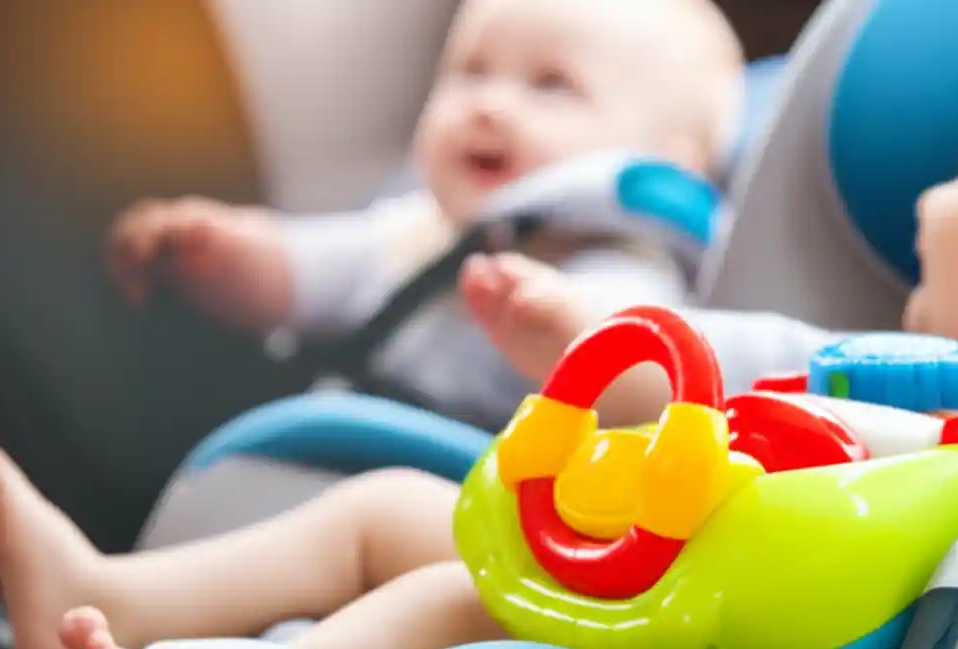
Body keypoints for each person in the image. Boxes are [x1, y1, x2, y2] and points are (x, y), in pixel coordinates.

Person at [0, 13, 958, 649]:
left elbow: (758, 378)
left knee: (461, 601)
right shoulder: (956, 385)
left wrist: (608, 357)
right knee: (386, 513)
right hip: (683, 584)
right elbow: (755, 370)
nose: (927, 200)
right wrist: (594, 357)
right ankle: (115, 600)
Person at [105, 0, 745, 431]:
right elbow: (306, 273)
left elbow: (646, 377)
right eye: (471, 72)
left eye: (552, 85)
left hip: (478, 506)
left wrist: (562, 330)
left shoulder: (623, 268)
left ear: (663, 166)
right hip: (336, 445)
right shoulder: (418, 233)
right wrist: (217, 253)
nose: (488, 104)